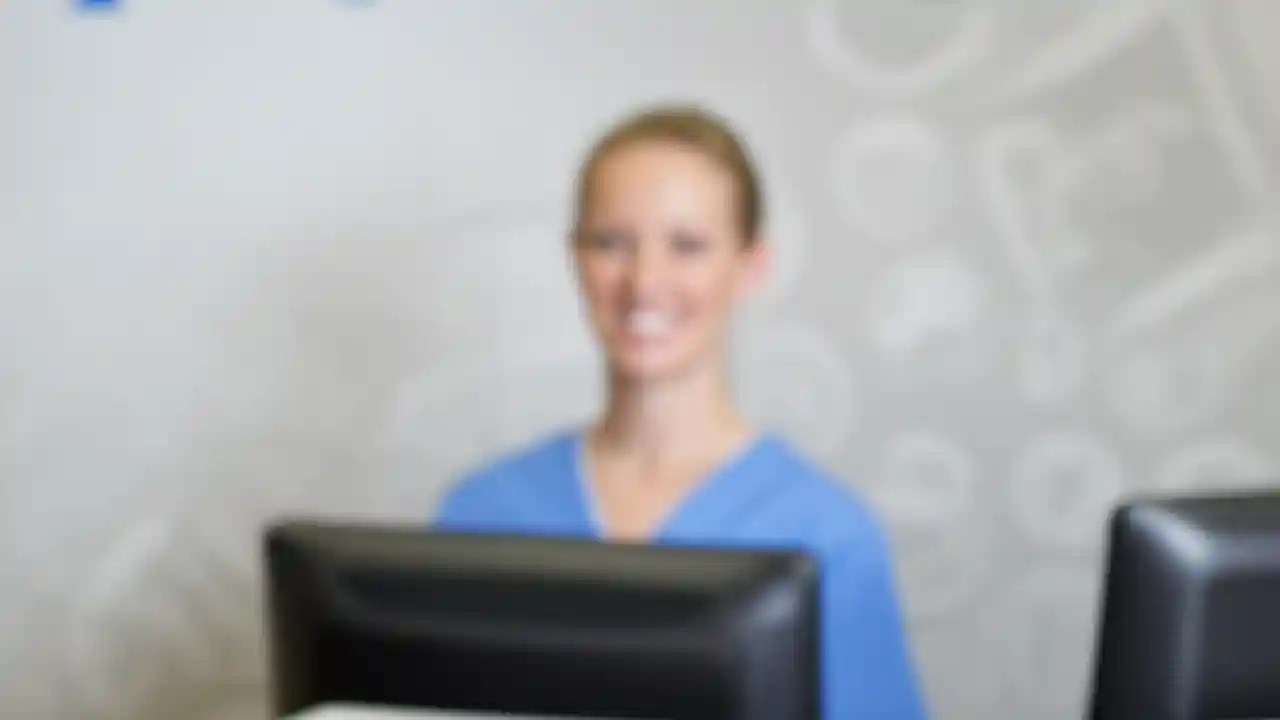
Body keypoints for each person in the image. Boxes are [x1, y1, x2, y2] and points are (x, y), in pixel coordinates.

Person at [434, 104, 927, 719]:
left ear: (750, 267)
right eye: (611, 242)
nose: (644, 282)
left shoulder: (829, 535)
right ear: (575, 259)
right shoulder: (481, 512)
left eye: (687, 246)